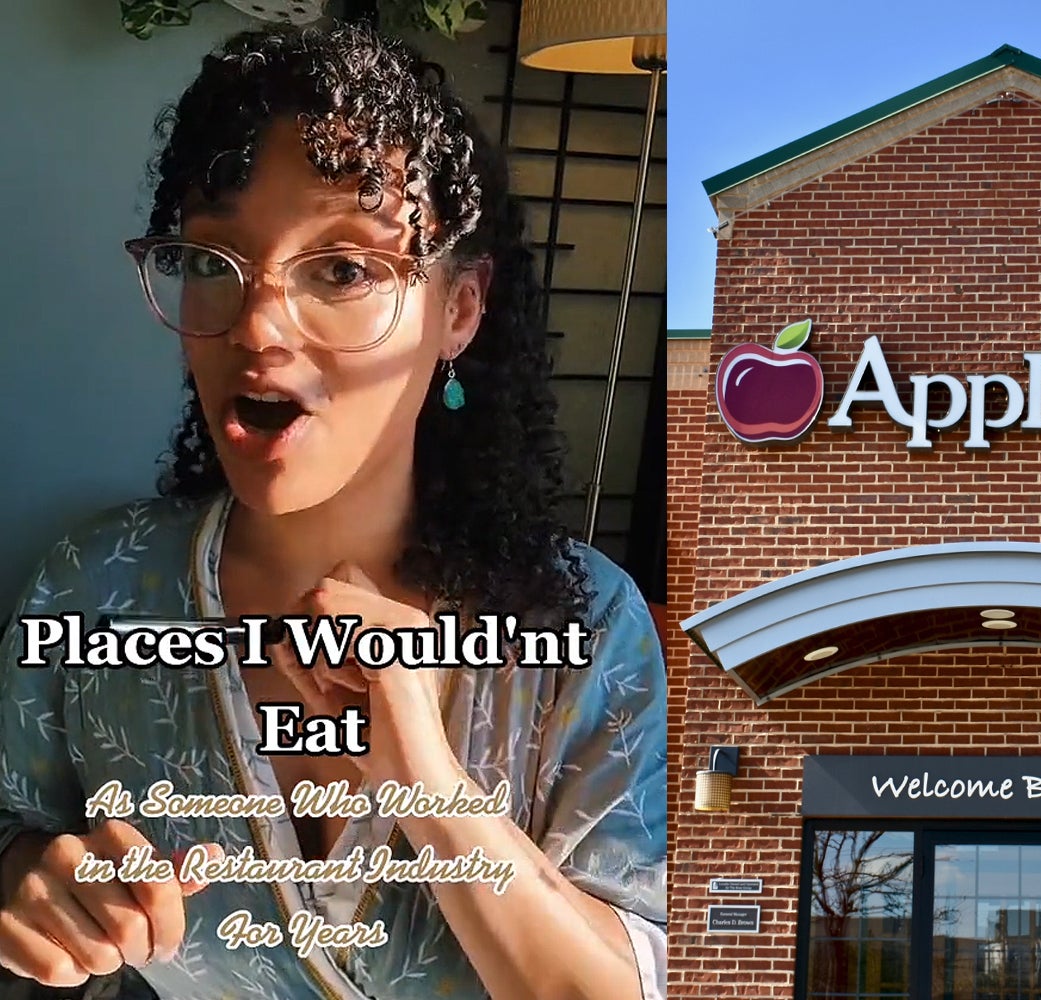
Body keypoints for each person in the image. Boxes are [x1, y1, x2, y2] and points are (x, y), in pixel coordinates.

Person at [0, 23, 666, 1000]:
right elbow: (14, 829)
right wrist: (23, 884)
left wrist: (429, 784)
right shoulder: (91, 587)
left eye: (344, 270)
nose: (258, 325)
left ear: (460, 310)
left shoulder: (582, 625)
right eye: (213, 260)